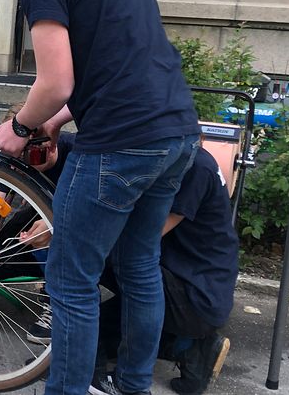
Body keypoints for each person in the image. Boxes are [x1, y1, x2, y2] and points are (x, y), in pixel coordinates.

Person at [0, 0, 201, 395]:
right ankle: (132, 387)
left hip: (121, 142)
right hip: (176, 133)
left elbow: (55, 79)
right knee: (139, 267)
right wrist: (58, 120)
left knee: (70, 282)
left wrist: (18, 127)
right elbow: (111, 64)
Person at [91, 145, 237, 395]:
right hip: (199, 287)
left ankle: (95, 374)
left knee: (94, 261)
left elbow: (147, 237)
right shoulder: (196, 159)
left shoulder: (194, 169)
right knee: (102, 326)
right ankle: (190, 349)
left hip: (193, 296)